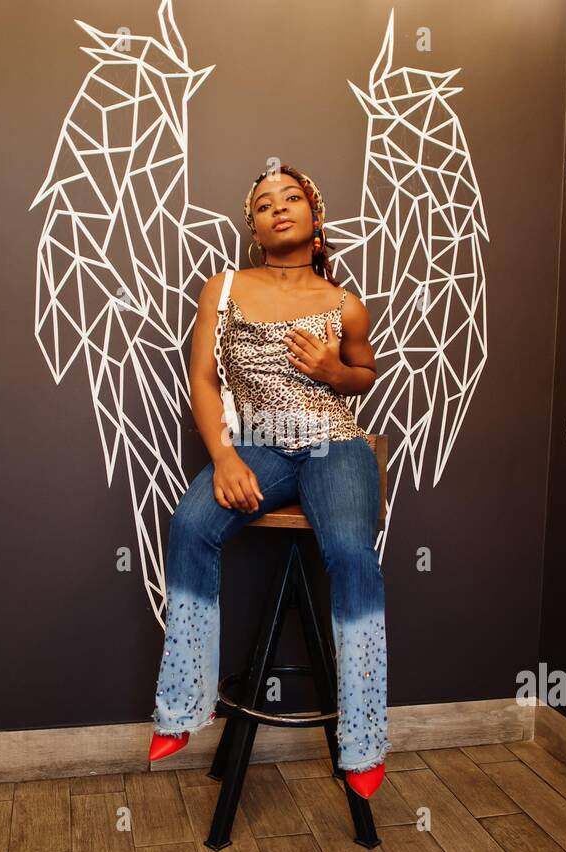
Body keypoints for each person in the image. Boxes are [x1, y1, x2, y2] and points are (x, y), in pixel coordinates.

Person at [147, 163, 391, 799]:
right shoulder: (222, 289)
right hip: (257, 443)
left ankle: (363, 741)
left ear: (315, 219)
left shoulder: (345, 303)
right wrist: (225, 458)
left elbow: (365, 377)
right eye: (263, 204)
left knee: (348, 554)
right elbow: (202, 380)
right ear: (254, 228)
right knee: (192, 524)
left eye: (291, 199)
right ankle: (181, 706)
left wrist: (333, 368)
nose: (277, 208)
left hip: (335, 442)